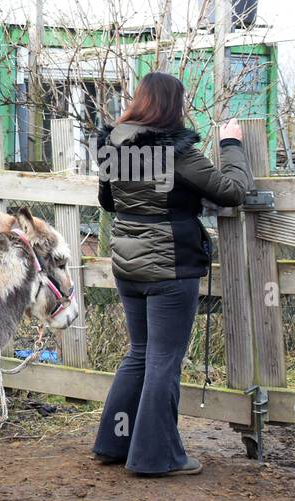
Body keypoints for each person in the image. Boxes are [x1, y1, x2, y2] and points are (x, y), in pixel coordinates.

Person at [92, 71, 253, 477]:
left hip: (128, 266)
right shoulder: (175, 151)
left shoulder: (114, 144)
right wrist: (231, 144)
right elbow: (232, 190)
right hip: (169, 267)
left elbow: (108, 202)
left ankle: (114, 443)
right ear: (171, 106)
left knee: (140, 354)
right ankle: (156, 457)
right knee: (164, 359)